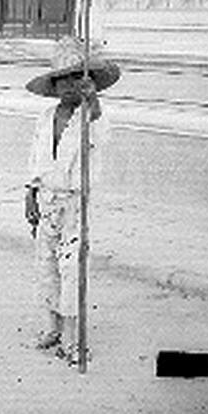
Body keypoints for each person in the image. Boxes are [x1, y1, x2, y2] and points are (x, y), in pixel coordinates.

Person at [24, 37, 120, 364]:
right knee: (45, 264)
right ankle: (50, 326)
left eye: (75, 80)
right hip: (46, 199)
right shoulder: (45, 117)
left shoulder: (90, 118)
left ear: (85, 83)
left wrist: (93, 102)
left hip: (74, 203)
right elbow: (35, 158)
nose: (68, 86)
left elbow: (102, 136)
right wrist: (30, 192)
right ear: (54, 85)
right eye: (62, 80)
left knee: (70, 265)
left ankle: (71, 336)